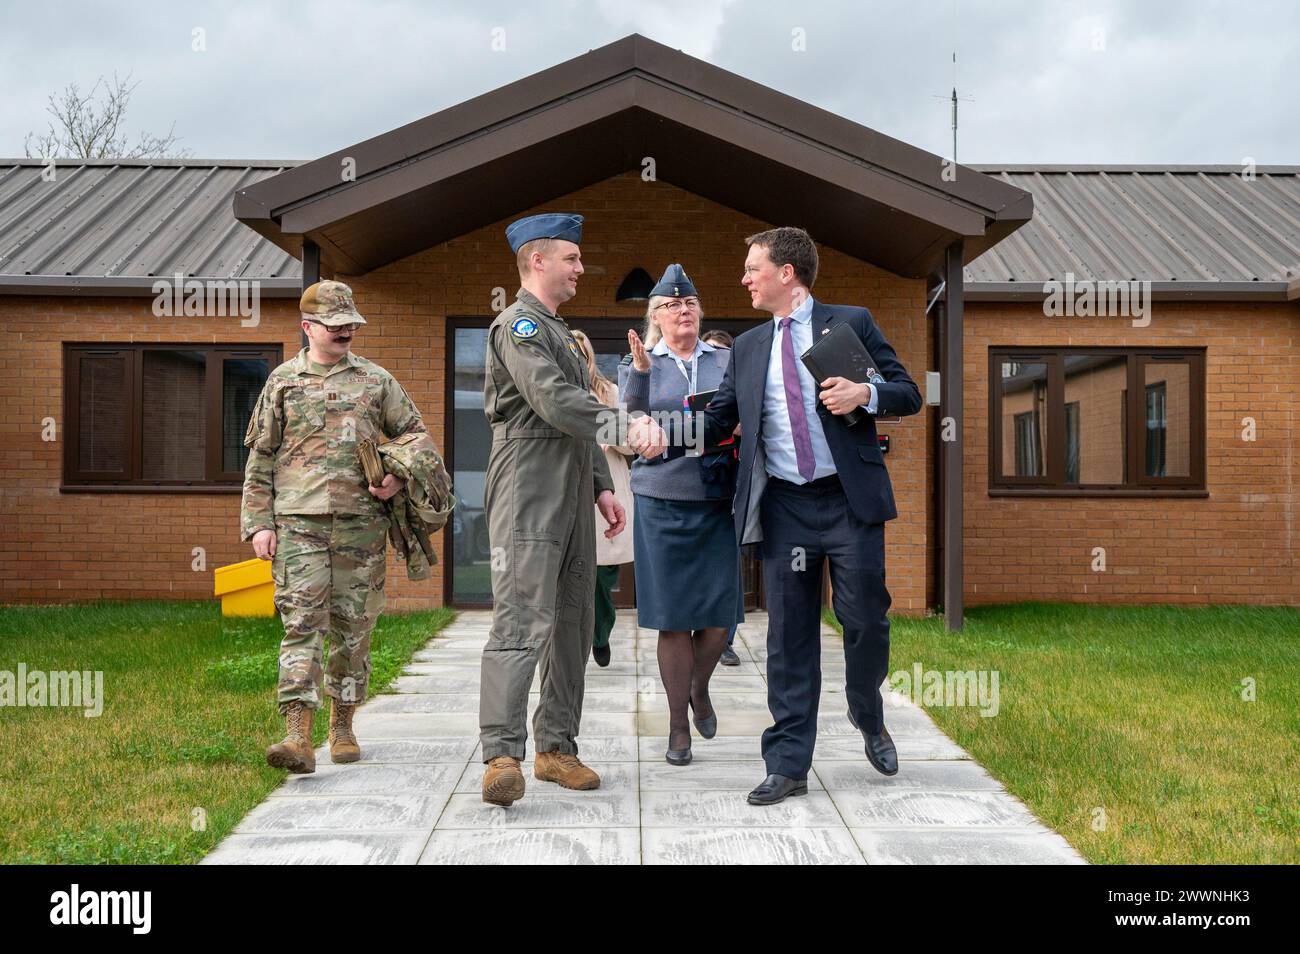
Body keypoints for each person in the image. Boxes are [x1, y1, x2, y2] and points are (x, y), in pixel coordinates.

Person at [681, 227, 922, 804]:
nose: (743, 279)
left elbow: (908, 392)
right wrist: (656, 433)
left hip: (848, 502)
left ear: (786, 273)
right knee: (789, 636)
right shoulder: (746, 348)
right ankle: (788, 762)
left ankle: (867, 711)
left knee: (864, 617)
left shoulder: (851, 323)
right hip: (786, 506)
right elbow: (717, 421)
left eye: (751, 268)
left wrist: (866, 396)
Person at [479, 212, 665, 807]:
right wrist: (627, 425)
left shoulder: (558, 329)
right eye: (573, 258)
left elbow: (574, 414)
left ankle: (556, 747)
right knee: (522, 619)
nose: (582, 268)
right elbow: (556, 402)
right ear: (539, 260)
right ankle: (501, 755)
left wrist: (601, 487)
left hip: (570, 483)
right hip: (527, 484)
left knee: (574, 621)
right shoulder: (521, 327)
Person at [241, 280, 425, 774]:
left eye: (350, 324)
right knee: (302, 626)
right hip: (297, 524)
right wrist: (259, 523)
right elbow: (261, 457)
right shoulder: (282, 382)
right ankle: (296, 735)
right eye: (334, 324)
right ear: (308, 328)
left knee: (354, 629)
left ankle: (342, 724)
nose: (345, 331)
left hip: (361, 527)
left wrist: (393, 474)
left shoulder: (375, 380)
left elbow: (415, 434)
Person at [620, 264, 744, 766]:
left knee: (718, 619)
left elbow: (742, 412)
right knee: (673, 619)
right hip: (662, 498)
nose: (683, 311)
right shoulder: (640, 363)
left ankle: (699, 685)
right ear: (656, 316)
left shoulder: (727, 359)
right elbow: (629, 421)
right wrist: (643, 380)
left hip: (718, 498)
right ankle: (677, 727)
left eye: (689, 303)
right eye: (671, 305)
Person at [571, 329, 635, 668]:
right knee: (577, 573)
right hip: (572, 487)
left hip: (607, 488)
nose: (580, 357)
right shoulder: (558, 391)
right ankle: (578, 638)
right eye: (574, 350)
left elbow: (631, 442)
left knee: (604, 576)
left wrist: (608, 430)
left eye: (585, 351)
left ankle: (601, 633)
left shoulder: (608, 391)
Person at [700, 329, 742, 668]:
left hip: (734, 482)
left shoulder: (740, 380)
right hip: (697, 482)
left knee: (727, 570)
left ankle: (725, 640)